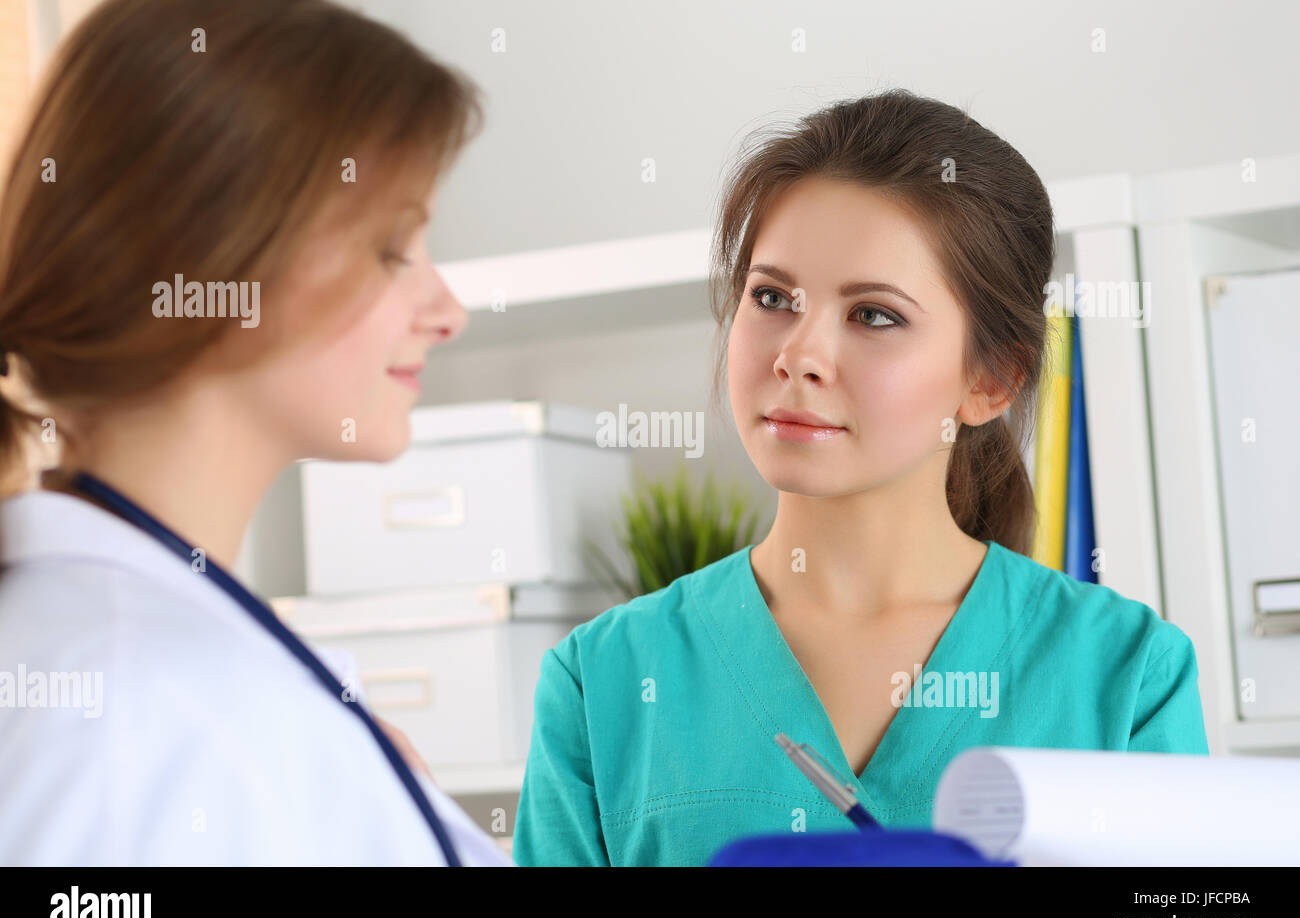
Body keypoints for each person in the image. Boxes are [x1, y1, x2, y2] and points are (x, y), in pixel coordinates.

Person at [512, 89, 1211, 867]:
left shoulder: (1127, 675)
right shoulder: (603, 682)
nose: (798, 354)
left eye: (874, 315)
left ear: (992, 379)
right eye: (772, 298)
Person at [0, 0, 509, 865]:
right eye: (395, 250)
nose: (448, 312)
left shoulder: (167, 674)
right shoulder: (136, 713)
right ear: (218, 261)